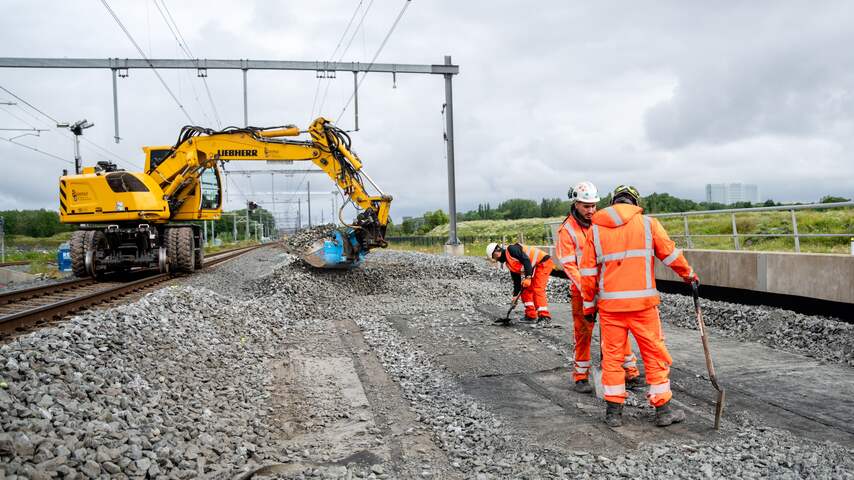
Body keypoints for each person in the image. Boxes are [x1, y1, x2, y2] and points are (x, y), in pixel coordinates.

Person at [580, 185, 699, 427]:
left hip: (611, 308)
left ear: (613, 203)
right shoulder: (648, 224)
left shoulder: (595, 231)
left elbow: (588, 274)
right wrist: (689, 275)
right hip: (643, 307)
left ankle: (614, 414)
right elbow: (670, 255)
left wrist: (589, 308)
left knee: (612, 359)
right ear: (634, 203)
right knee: (654, 355)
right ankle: (663, 410)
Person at [556, 181, 643, 394]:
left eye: (594, 205)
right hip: (582, 292)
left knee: (617, 330)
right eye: (586, 206)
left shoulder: (600, 223)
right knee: (583, 333)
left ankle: (629, 371)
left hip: (607, 289)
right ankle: (580, 376)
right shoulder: (566, 231)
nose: (592, 210)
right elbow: (569, 266)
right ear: (575, 204)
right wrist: (588, 290)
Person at [486, 242, 554, 324]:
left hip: (543, 262)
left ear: (496, 253)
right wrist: (515, 296)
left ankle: (544, 317)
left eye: (494, 258)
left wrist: (528, 277)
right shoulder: (509, 263)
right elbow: (516, 281)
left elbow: (526, 260)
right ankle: (531, 315)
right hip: (534, 266)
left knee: (537, 289)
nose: (497, 260)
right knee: (525, 290)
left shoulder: (511, 249)